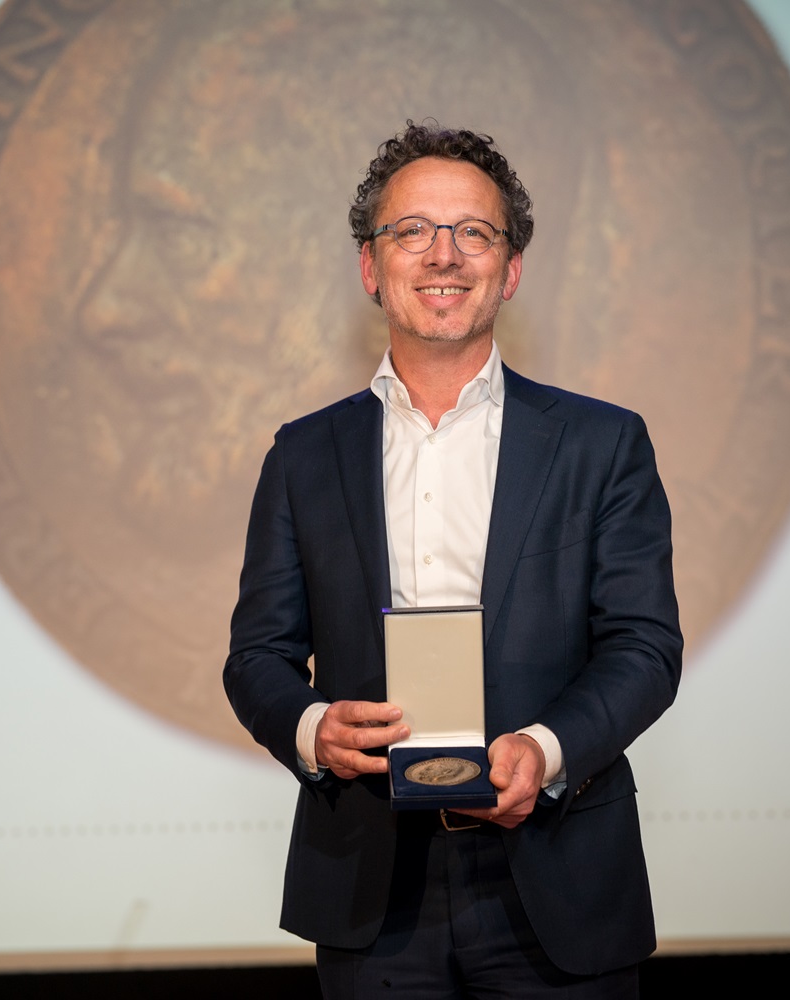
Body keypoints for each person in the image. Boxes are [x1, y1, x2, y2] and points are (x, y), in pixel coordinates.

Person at [223, 122, 683, 998]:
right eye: (413, 231)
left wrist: (544, 752)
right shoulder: (302, 455)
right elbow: (257, 658)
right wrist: (313, 729)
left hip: (559, 875)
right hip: (369, 890)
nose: (444, 255)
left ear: (510, 270)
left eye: (474, 232)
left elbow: (644, 647)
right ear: (371, 266)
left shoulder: (601, 443)